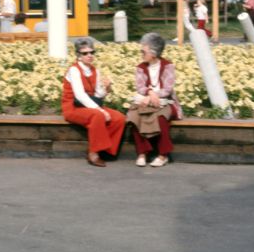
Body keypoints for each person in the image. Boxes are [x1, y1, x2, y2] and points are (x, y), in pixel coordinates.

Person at [62, 37, 125, 167]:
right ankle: (93, 153)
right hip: (73, 107)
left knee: (119, 118)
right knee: (97, 115)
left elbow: (97, 95)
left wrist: (106, 88)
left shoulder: (94, 70)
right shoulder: (74, 70)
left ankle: (106, 150)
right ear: (79, 56)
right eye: (85, 53)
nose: (89, 55)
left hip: (89, 105)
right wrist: (100, 110)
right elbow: (79, 95)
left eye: (92, 52)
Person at [126, 32, 182, 168]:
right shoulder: (140, 68)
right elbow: (140, 87)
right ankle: (142, 153)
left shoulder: (168, 66)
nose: (141, 54)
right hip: (147, 100)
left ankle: (163, 155)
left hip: (166, 102)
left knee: (161, 117)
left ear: (154, 52)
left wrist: (153, 95)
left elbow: (167, 90)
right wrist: (150, 94)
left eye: (143, 51)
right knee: (133, 115)